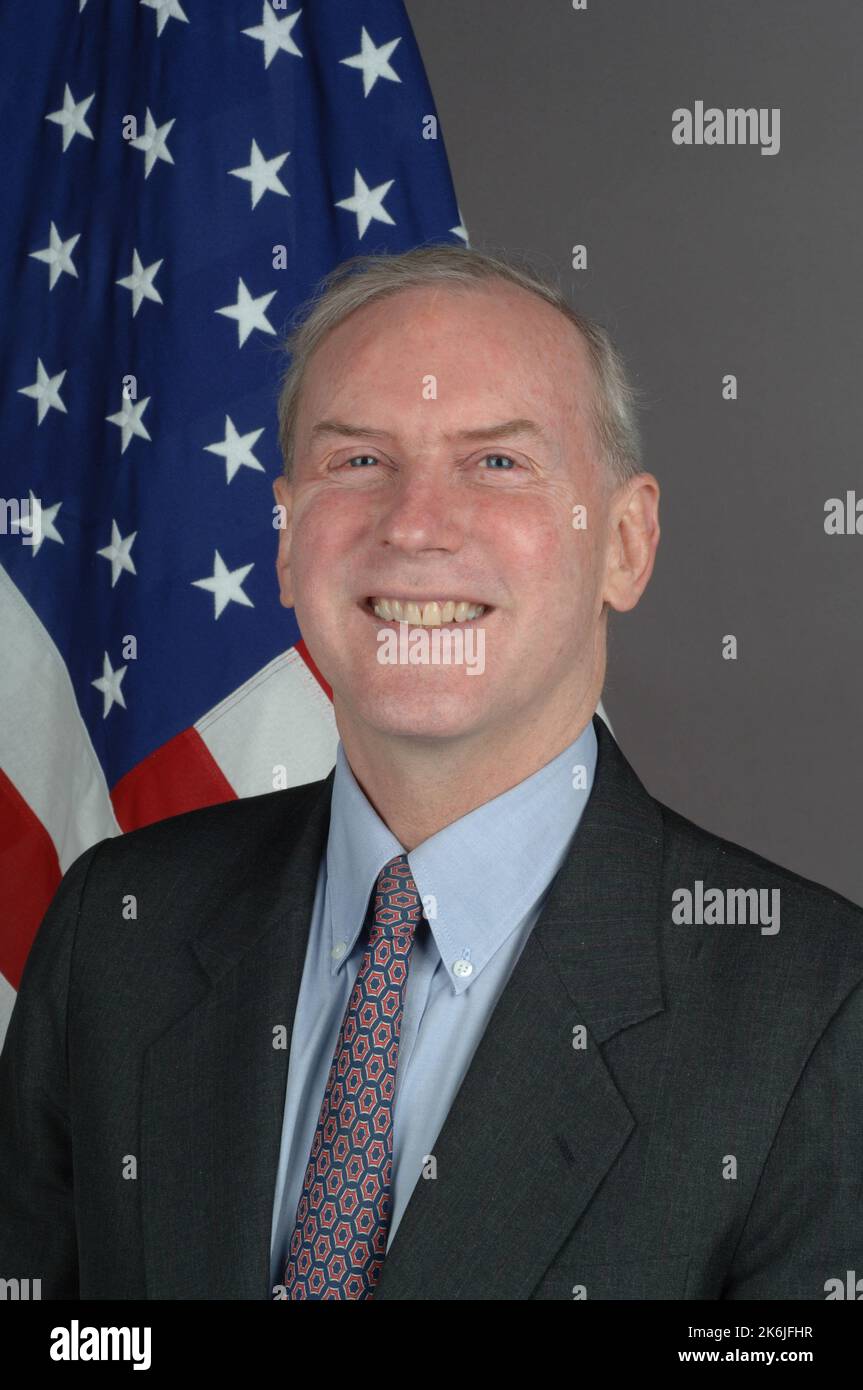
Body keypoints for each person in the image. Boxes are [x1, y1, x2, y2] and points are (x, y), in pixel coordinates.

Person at [1, 243, 861, 1300]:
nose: (411, 525)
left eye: (495, 462)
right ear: (282, 539)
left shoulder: (817, 1011)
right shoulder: (114, 927)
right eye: (355, 460)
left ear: (624, 544)